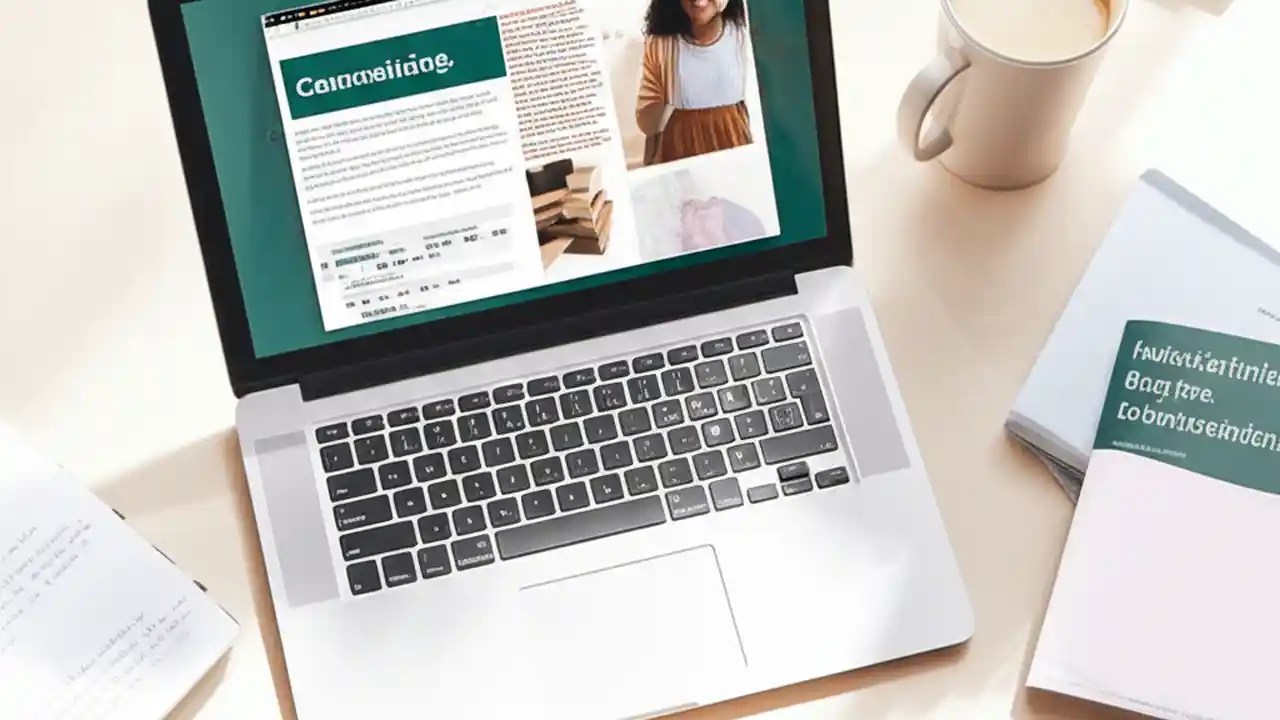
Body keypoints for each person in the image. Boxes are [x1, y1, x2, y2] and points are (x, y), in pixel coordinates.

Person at [636, 0, 752, 166]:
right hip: (679, 152)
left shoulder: (744, 36)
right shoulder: (661, 44)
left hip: (734, 151)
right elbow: (647, 123)